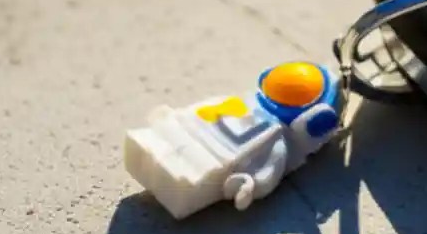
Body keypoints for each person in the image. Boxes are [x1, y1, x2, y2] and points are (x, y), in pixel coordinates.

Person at [123, 61, 340, 219]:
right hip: (188, 135)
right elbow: (205, 110)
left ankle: (162, 161)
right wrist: (176, 117)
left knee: (185, 178)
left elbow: (270, 169)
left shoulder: (276, 140)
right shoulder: (241, 105)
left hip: (212, 164)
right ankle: (154, 144)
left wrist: (249, 184)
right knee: (163, 148)